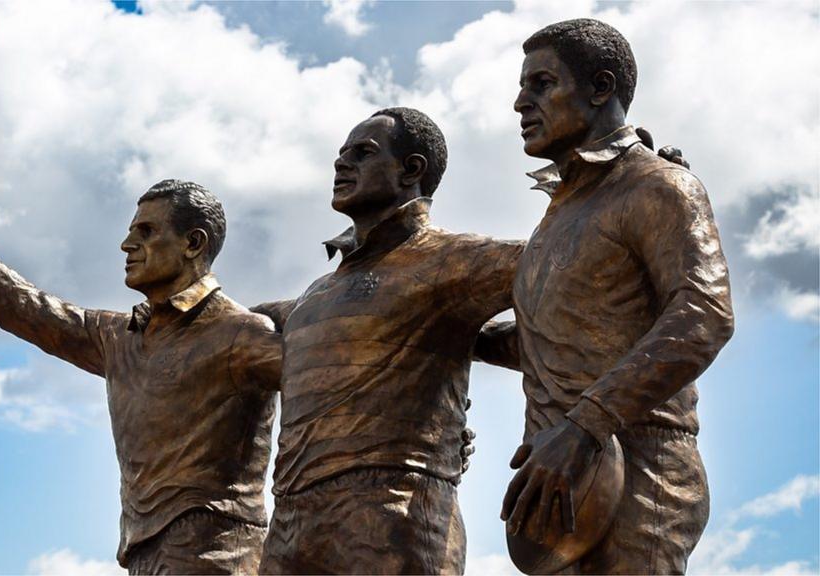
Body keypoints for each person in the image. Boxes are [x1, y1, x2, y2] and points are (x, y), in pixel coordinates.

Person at [0, 154, 280, 575]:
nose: (128, 245)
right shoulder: (118, 337)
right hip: (142, 555)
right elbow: (24, 307)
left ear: (193, 243)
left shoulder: (242, 335)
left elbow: (337, 393)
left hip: (219, 559)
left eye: (146, 232)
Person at [487, 18, 734, 574]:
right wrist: (455, 339)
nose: (520, 102)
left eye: (541, 84)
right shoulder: (557, 217)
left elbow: (704, 314)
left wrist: (584, 426)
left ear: (600, 89)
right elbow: (556, 339)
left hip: (638, 467)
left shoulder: (658, 185)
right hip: (558, 487)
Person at [254, 107, 525, 573]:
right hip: (291, 526)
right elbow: (234, 326)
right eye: (341, 155)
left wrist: (620, 184)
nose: (342, 164)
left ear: (411, 170)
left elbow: (575, 272)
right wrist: (166, 311)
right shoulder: (313, 297)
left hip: (393, 517)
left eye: (363, 153)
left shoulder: (449, 260)